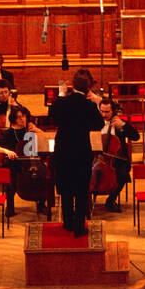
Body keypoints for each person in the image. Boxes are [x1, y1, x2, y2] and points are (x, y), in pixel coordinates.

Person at [49, 68, 102, 237]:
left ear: (72, 84)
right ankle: (79, 227)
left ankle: (68, 223)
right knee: (81, 189)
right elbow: (99, 124)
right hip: (81, 150)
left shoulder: (62, 102)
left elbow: (53, 117)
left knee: (65, 188)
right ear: (88, 88)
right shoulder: (89, 105)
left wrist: (61, 95)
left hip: (63, 149)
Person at [0, 106, 48, 217]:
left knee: (43, 174)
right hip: (16, 163)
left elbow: (46, 139)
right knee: (11, 179)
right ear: (14, 119)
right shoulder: (9, 133)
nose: (22, 119)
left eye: (23, 116)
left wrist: (37, 130)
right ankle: (10, 206)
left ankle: (41, 204)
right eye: (18, 118)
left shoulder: (30, 130)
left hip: (32, 161)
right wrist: (7, 151)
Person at [91, 98, 140, 213]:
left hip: (115, 159)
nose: (103, 114)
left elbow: (136, 136)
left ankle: (111, 200)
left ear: (113, 111)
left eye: (107, 112)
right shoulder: (93, 123)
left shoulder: (119, 123)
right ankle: (87, 201)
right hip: (95, 157)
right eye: (101, 111)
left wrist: (123, 125)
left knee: (123, 174)